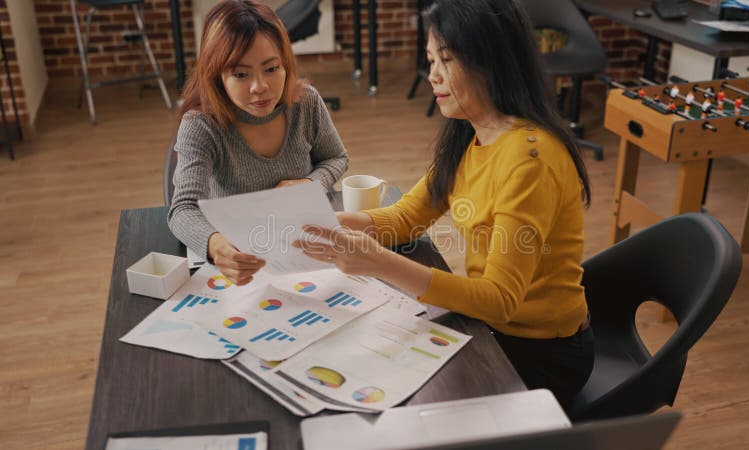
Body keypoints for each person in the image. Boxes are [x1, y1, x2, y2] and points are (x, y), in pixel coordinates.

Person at [294, 0, 594, 408]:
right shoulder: (470, 133)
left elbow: (500, 300)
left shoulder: (530, 160)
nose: (432, 74)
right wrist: (330, 222)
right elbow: (407, 216)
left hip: (541, 352)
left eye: (446, 59)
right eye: (431, 59)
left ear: (491, 60)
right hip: (492, 327)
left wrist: (378, 262)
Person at [168, 0, 348, 286]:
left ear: (285, 64)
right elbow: (182, 210)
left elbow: (336, 158)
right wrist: (217, 247)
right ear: (217, 76)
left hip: (303, 244)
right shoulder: (201, 125)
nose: (260, 87)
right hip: (241, 253)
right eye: (241, 74)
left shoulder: (306, 103)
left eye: (272, 68)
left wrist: (309, 184)